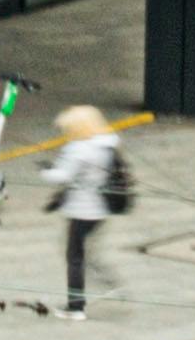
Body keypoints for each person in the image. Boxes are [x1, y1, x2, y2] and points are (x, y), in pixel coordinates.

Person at [43, 103, 134, 312]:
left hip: (82, 210)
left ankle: (75, 307)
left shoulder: (80, 149)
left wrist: (46, 171)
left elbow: (62, 176)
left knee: (74, 258)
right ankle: (111, 284)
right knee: (88, 253)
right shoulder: (107, 145)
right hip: (101, 210)